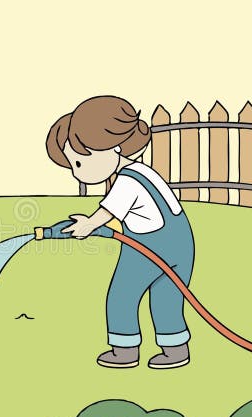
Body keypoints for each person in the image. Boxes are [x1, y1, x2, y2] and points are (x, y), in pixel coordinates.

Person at [45, 95, 195, 369]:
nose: (77, 173)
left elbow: (108, 212)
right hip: (181, 245)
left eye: (79, 163)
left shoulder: (125, 181)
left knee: (122, 296)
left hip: (148, 248)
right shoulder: (142, 171)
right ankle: (175, 350)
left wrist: (88, 225)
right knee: (167, 298)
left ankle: (124, 350)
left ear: (112, 147)